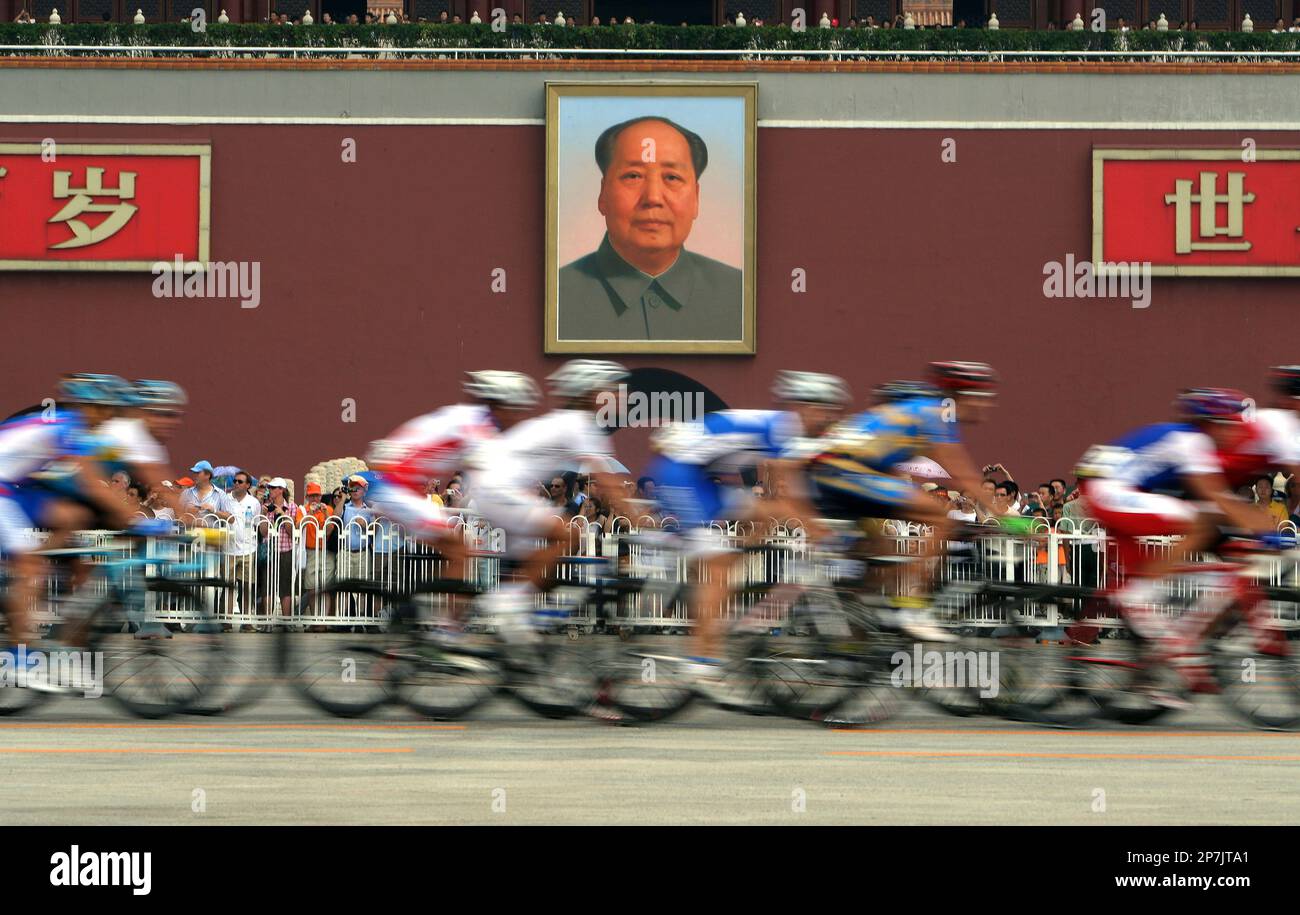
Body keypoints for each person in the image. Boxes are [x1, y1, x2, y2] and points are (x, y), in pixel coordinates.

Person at [1075, 387, 1273, 703]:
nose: (1238, 433)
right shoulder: (1192, 441)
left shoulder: (1192, 442)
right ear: (1213, 423)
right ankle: (1152, 615)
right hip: (1108, 489)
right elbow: (1216, 498)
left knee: (1139, 576)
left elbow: (1212, 500)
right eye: (1233, 425)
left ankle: (1145, 675)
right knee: (1196, 526)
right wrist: (1266, 528)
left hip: (1109, 485)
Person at [650, 370, 849, 676]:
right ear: (804, 407)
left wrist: (757, 534)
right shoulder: (783, 429)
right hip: (680, 472)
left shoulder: (787, 431)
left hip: (701, 477)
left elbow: (777, 502)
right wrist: (823, 534)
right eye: (826, 411)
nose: (829, 420)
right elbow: (791, 497)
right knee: (720, 565)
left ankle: (717, 619)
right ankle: (701, 658)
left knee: (760, 514)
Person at [807, 362, 1001, 640]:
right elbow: (964, 476)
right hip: (842, 472)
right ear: (966, 396)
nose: (989, 406)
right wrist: (1006, 518)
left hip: (831, 474)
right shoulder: (938, 412)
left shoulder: (918, 412)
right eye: (986, 398)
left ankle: (857, 637)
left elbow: (888, 471)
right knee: (939, 517)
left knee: (882, 554)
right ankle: (912, 608)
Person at [467, 360, 633, 637]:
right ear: (590, 393)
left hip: (493, 486)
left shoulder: (567, 422)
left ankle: (512, 636)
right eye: (609, 389)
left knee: (539, 566)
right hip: (499, 488)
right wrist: (640, 519)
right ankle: (508, 604)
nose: (615, 395)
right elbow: (607, 479)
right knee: (568, 536)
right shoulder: (578, 425)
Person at [557, 116, 743, 342]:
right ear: (603, 194)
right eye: (633, 176)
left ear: (696, 198)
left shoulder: (740, 295)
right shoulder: (555, 297)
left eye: (672, 177)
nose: (653, 197)